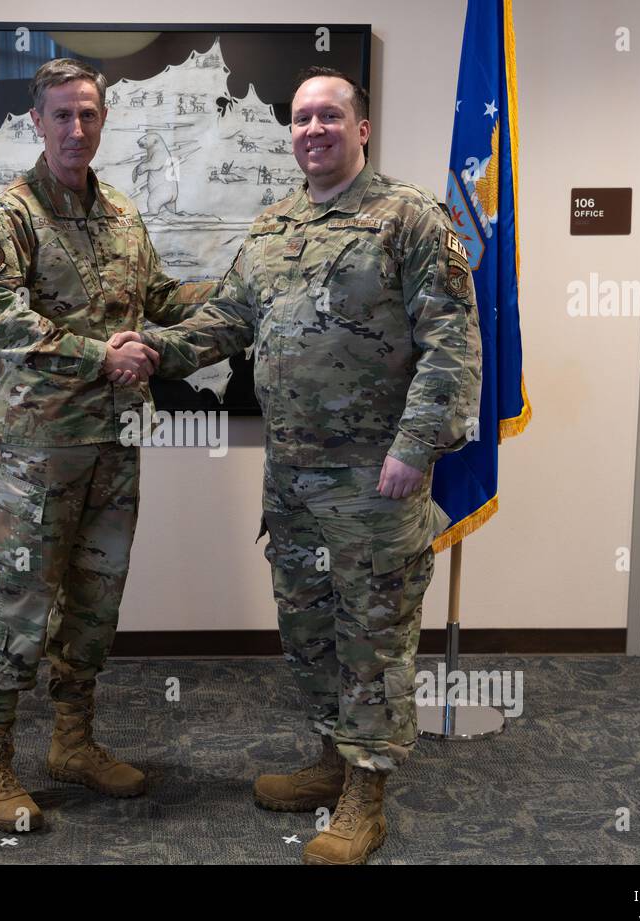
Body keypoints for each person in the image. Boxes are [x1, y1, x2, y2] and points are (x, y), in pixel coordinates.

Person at [117, 68, 482, 864]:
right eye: (301, 118)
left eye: (330, 116)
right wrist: (152, 351)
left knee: (374, 637)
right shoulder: (276, 224)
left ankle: (368, 793)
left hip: (375, 480)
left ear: (362, 129)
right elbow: (228, 321)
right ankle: (329, 758)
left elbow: (451, 346)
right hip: (292, 479)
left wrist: (414, 451)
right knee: (311, 629)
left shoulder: (410, 218)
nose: (312, 129)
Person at [0, 58, 213, 832]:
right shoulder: (7, 216)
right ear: (35, 121)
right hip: (39, 458)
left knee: (95, 610)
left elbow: (158, 298)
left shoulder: (123, 215)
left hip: (114, 449)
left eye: (89, 115)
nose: (77, 129)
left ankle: (73, 743)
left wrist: (243, 286)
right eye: (62, 115)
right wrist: (98, 354)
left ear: (104, 122)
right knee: (20, 610)